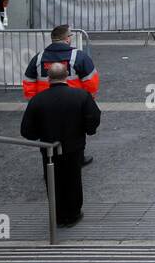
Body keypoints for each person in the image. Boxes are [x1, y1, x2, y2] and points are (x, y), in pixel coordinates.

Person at [20, 61, 101, 227]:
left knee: (53, 179)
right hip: (74, 145)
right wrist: (88, 130)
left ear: (48, 78)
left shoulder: (38, 99)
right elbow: (93, 116)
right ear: (66, 75)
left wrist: (37, 135)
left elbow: (27, 130)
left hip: (49, 147)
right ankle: (72, 213)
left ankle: (58, 214)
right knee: (73, 178)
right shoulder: (80, 96)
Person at [23, 25, 100, 164]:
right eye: (70, 36)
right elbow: (91, 81)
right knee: (75, 133)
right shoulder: (78, 56)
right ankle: (77, 160)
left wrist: (34, 101)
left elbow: (29, 81)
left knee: (47, 134)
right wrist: (88, 100)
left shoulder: (39, 58)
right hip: (74, 104)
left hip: (45, 104)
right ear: (67, 39)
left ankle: (50, 162)